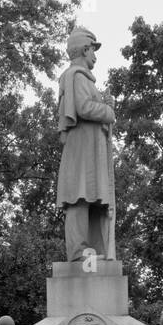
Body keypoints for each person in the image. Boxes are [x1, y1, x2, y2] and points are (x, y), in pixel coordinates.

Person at [56, 25, 116, 261]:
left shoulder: (82, 79)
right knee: (79, 195)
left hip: (89, 149)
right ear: (84, 49)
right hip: (82, 150)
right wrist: (108, 111)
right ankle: (79, 252)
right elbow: (83, 107)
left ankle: (92, 250)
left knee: (89, 197)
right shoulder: (77, 76)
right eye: (93, 50)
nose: (95, 55)